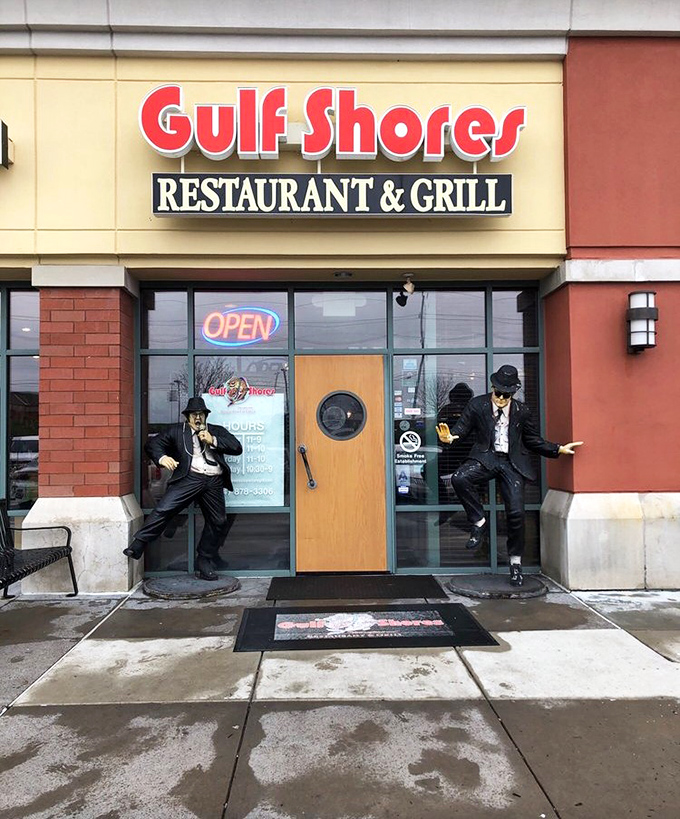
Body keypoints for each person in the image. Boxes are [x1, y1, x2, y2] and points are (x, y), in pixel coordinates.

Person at [436, 365, 583, 586]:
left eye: (508, 394)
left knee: (516, 513)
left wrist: (557, 449)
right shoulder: (477, 405)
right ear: (493, 387)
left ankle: (515, 563)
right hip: (486, 458)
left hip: (512, 463)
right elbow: (461, 429)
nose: (502, 398)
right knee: (460, 478)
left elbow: (532, 440)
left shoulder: (522, 411)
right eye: (499, 393)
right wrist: (450, 438)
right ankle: (479, 521)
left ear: (513, 392)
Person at [123, 396, 243, 581]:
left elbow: (236, 447)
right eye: (194, 415)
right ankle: (139, 544)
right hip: (189, 478)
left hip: (213, 480)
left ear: (205, 416)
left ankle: (204, 560)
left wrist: (213, 440)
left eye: (201, 414)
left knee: (218, 521)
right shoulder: (177, 431)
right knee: (165, 508)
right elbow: (153, 444)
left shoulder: (215, 431)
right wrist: (162, 458)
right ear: (187, 417)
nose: (198, 418)